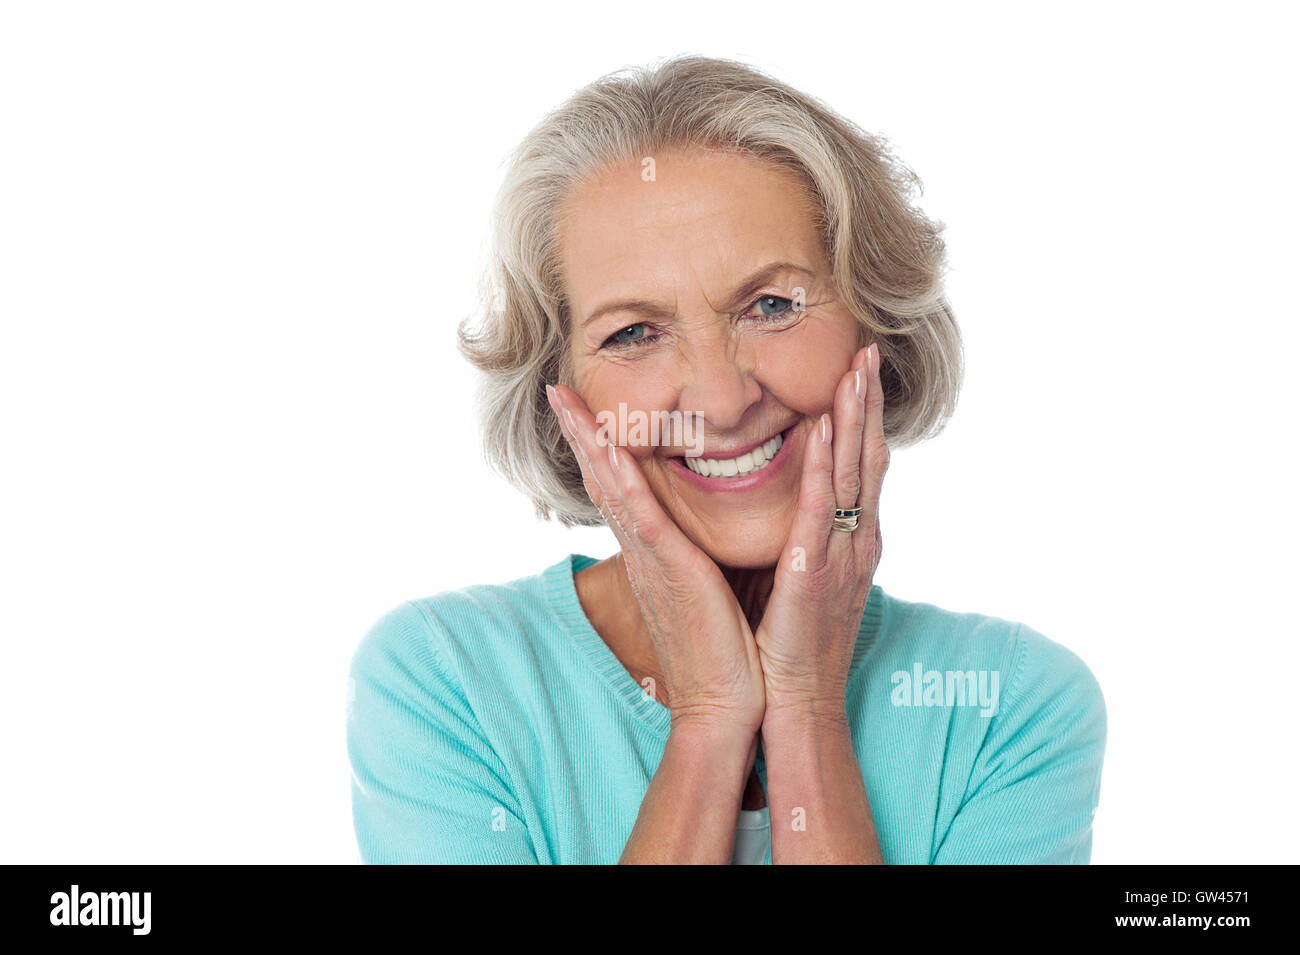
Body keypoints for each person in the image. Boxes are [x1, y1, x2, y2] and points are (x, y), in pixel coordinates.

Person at [346, 54, 1106, 864]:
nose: (718, 401)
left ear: (874, 330)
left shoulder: (1012, 706)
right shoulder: (445, 682)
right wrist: (709, 720)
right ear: (558, 393)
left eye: (772, 305)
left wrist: (808, 709)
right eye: (633, 332)